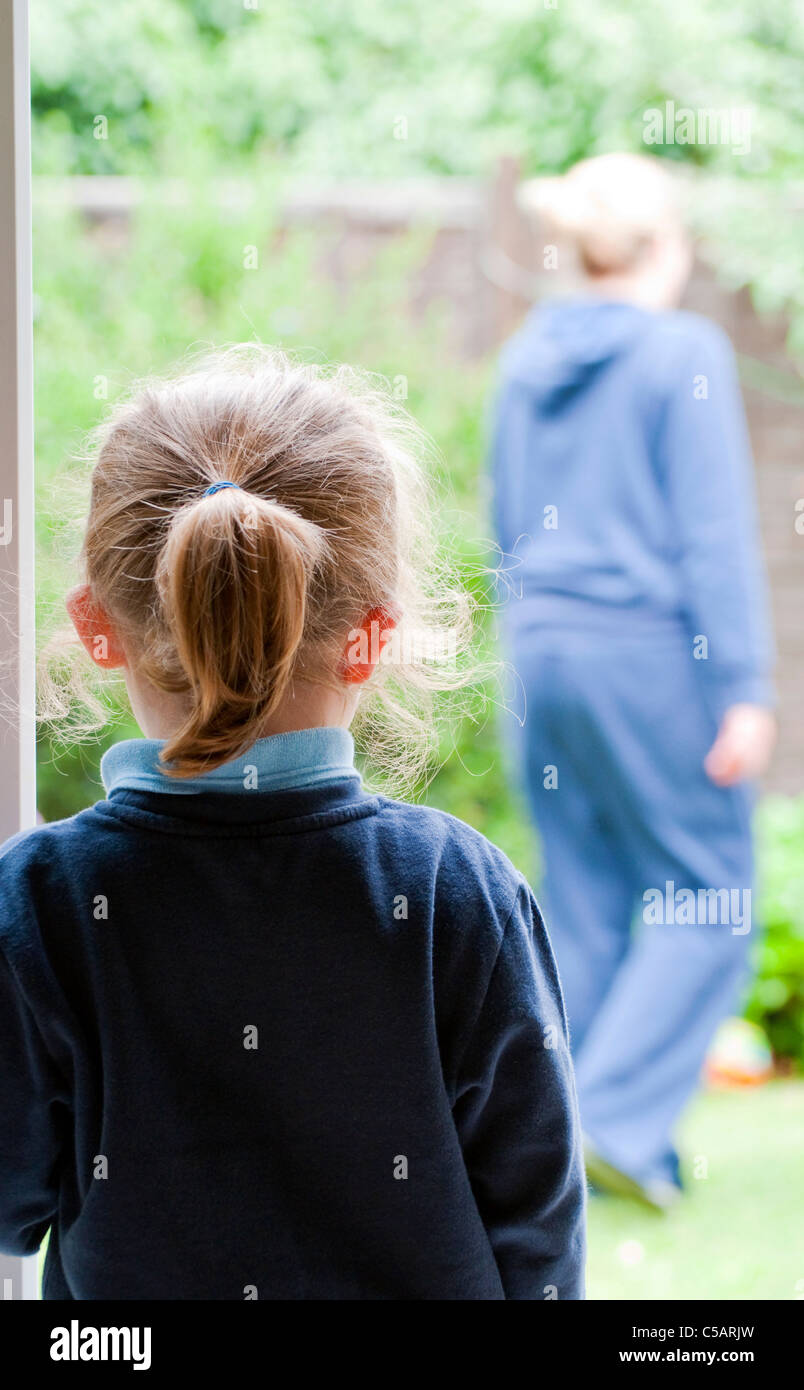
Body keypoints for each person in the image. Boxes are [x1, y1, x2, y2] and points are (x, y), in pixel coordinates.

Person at [0, 346, 585, 1299]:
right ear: (374, 638)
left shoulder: (44, 905)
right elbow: (538, 1232)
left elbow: (12, 1200)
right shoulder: (457, 893)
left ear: (98, 626)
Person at [490, 154, 776, 1210]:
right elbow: (712, 538)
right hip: (649, 655)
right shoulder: (681, 353)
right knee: (713, 891)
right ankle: (612, 1120)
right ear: (668, 245)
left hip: (542, 657)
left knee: (589, 903)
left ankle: (574, 1140)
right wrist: (744, 683)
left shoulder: (525, 361)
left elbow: (506, 526)